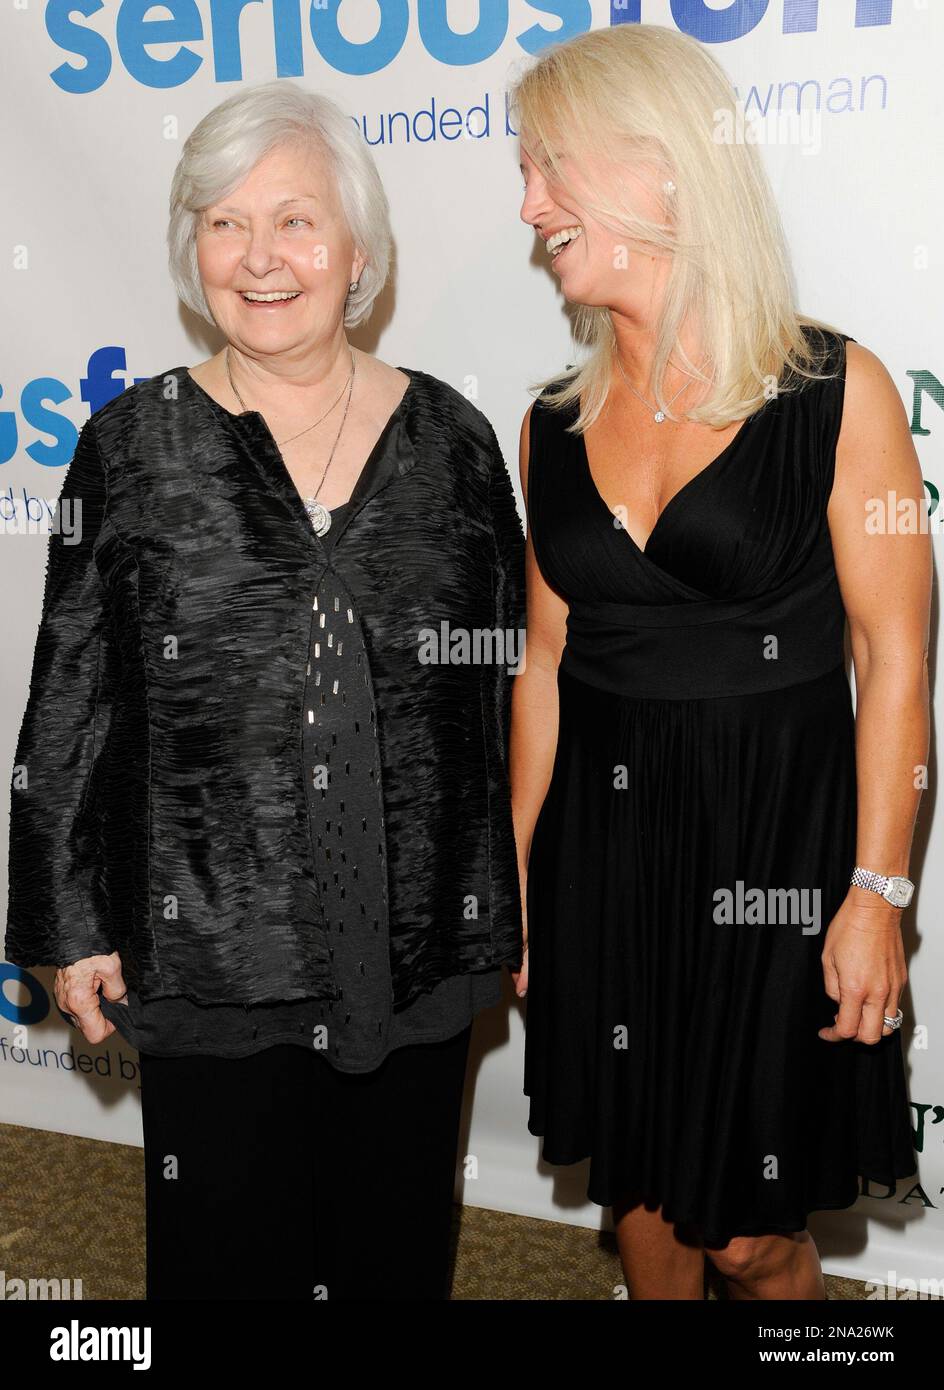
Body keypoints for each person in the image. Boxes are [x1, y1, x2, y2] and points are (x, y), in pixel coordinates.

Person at [5, 80, 525, 1301]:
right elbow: (69, 692)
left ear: (358, 251)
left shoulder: (454, 439)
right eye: (224, 222)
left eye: (295, 220)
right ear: (193, 251)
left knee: (390, 1258)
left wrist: (502, 898)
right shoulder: (129, 445)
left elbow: (500, 698)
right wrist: (66, 919)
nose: (259, 256)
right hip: (208, 945)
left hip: (414, 942)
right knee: (223, 1268)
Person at [508, 26, 924, 1301]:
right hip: (604, 854)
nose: (528, 209)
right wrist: (517, 883)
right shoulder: (551, 423)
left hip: (774, 850)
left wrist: (877, 892)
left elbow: (892, 653)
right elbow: (542, 660)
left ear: (663, 168)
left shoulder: (830, 389)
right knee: (638, 1185)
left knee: (746, 1230)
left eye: (549, 169)